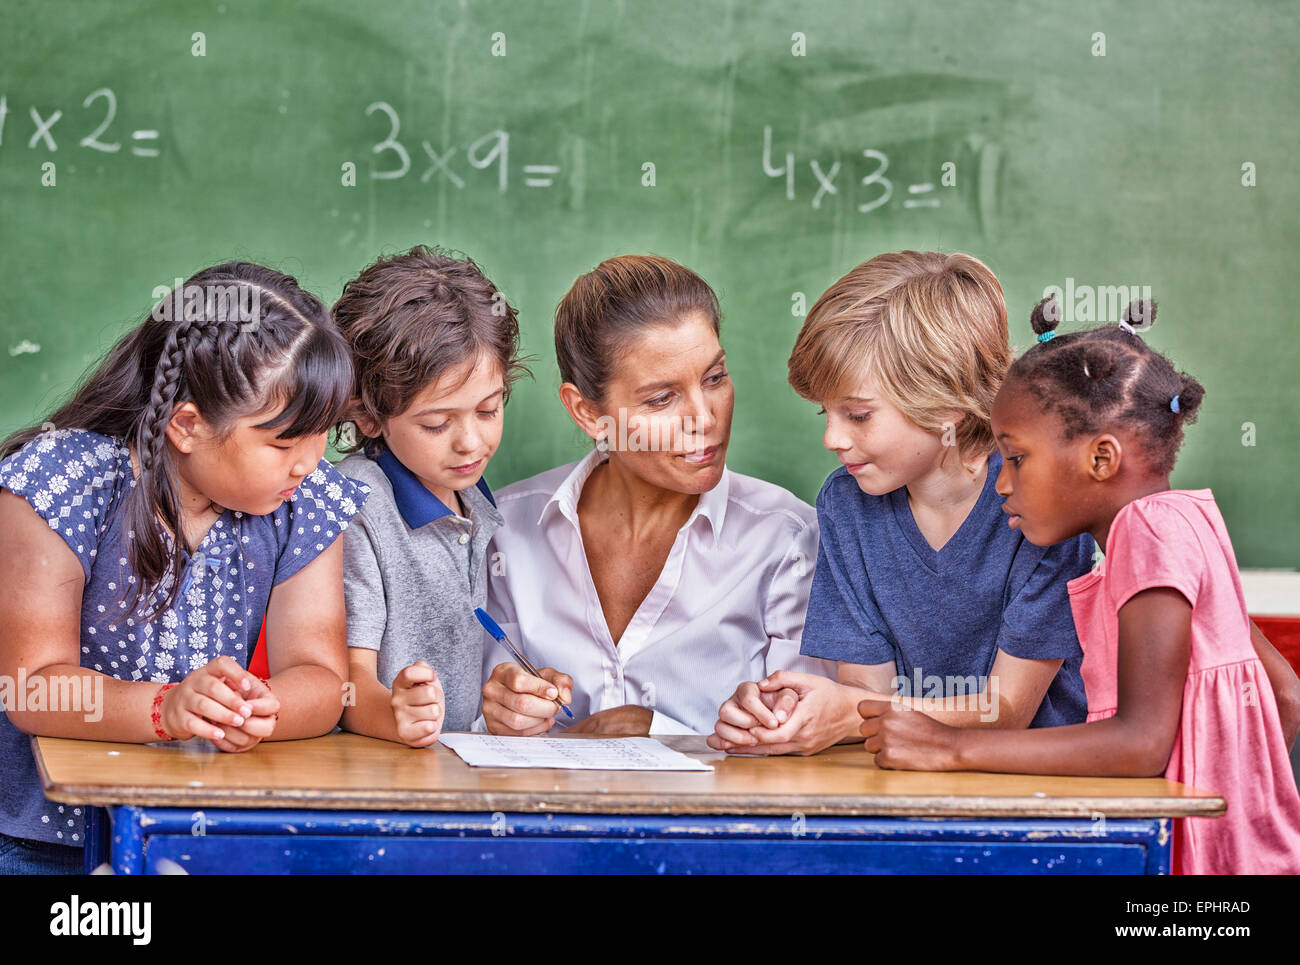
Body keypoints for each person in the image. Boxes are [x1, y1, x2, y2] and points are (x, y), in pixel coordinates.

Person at [859, 296, 1300, 874]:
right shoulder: (1182, 526)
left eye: (1016, 459)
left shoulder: (1148, 538)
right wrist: (1249, 809)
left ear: (1101, 458)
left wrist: (949, 747)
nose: (1001, 485)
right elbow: (1286, 694)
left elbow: (1140, 745)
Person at [0, 263, 365, 873]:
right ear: (188, 426)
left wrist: (256, 708)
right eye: (282, 441)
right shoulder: (61, 482)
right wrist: (163, 709)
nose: (308, 461)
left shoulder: (303, 500)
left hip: (195, 830)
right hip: (38, 839)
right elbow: (33, 685)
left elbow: (323, 681)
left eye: (323, 433)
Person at [479, 254, 830, 736]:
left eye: (715, 378)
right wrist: (503, 709)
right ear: (586, 412)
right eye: (662, 398)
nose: (704, 418)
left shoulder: (789, 541)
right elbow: (479, 721)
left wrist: (653, 729)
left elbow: (802, 742)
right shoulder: (506, 530)